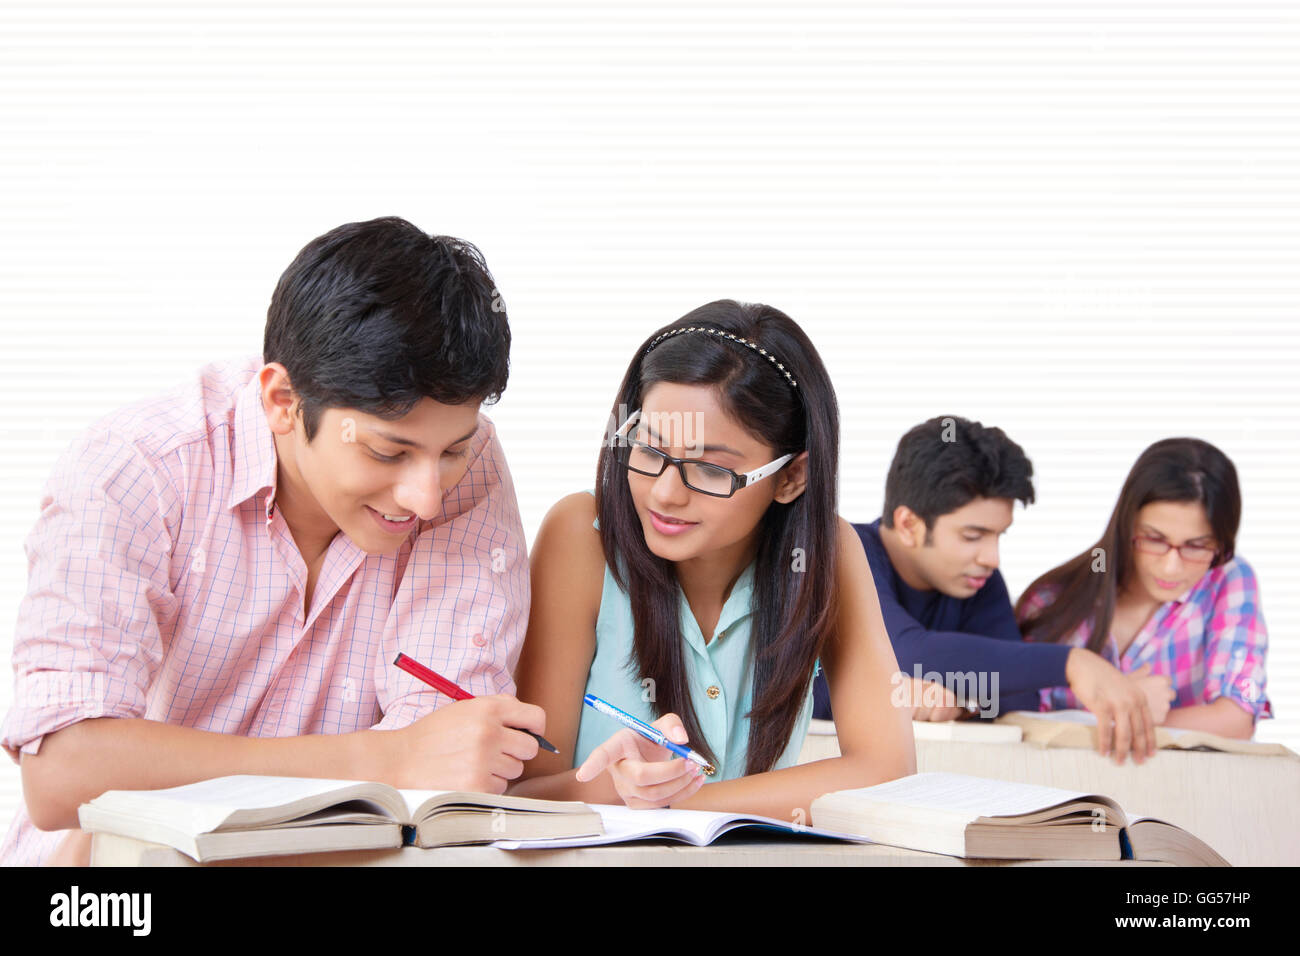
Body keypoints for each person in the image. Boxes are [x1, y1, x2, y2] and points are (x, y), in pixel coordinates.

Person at [1, 217, 545, 866]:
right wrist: (384, 757)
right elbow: (64, 773)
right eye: (387, 450)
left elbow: (445, 778)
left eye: (451, 449)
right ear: (283, 400)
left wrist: (414, 764)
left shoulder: (469, 470)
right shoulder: (137, 469)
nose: (426, 497)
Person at [509, 301, 915, 820]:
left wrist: (680, 802)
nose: (665, 494)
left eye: (708, 469)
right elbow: (518, 794)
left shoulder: (824, 555)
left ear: (791, 477)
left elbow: (888, 770)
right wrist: (619, 786)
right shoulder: (582, 534)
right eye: (649, 450)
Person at [813, 415, 1166, 765]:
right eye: (973, 536)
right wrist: (1073, 663)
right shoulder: (846, 553)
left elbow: (1021, 698)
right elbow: (903, 651)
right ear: (909, 524)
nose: (992, 557)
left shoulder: (978, 581)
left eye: (999, 535)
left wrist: (961, 701)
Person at [1017, 438, 1270, 739]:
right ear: (1127, 525)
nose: (1171, 567)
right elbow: (1017, 721)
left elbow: (1238, 717)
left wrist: (1128, 714)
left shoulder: (1227, 579)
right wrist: (1133, 708)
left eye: (1197, 547)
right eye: (1154, 539)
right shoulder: (1051, 602)